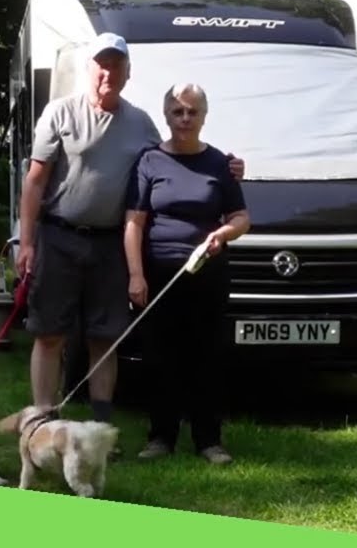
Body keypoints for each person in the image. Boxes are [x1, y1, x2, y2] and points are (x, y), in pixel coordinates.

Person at [17, 33, 244, 437]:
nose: (108, 73)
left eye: (116, 66)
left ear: (127, 73)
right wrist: (28, 241)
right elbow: (35, 182)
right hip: (58, 237)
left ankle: (101, 431)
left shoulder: (140, 123)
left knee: (105, 337)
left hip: (110, 245)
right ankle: (41, 425)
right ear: (90, 69)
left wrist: (228, 165)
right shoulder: (59, 113)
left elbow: (175, 156)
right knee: (50, 334)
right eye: (101, 65)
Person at [123, 83, 250, 465]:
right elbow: (134, 222)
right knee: (161, 357)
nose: (185, 119)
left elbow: (242, 218)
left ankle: (209, 440)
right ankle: (161, 437)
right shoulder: (149, 162)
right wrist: (135, 275)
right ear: (166, 116)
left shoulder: (219, 165)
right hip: (159, 273)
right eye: (177, 112)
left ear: (204, 116)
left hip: (208, 273)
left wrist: (224, 234)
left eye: (192, 112)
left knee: (206, 357)